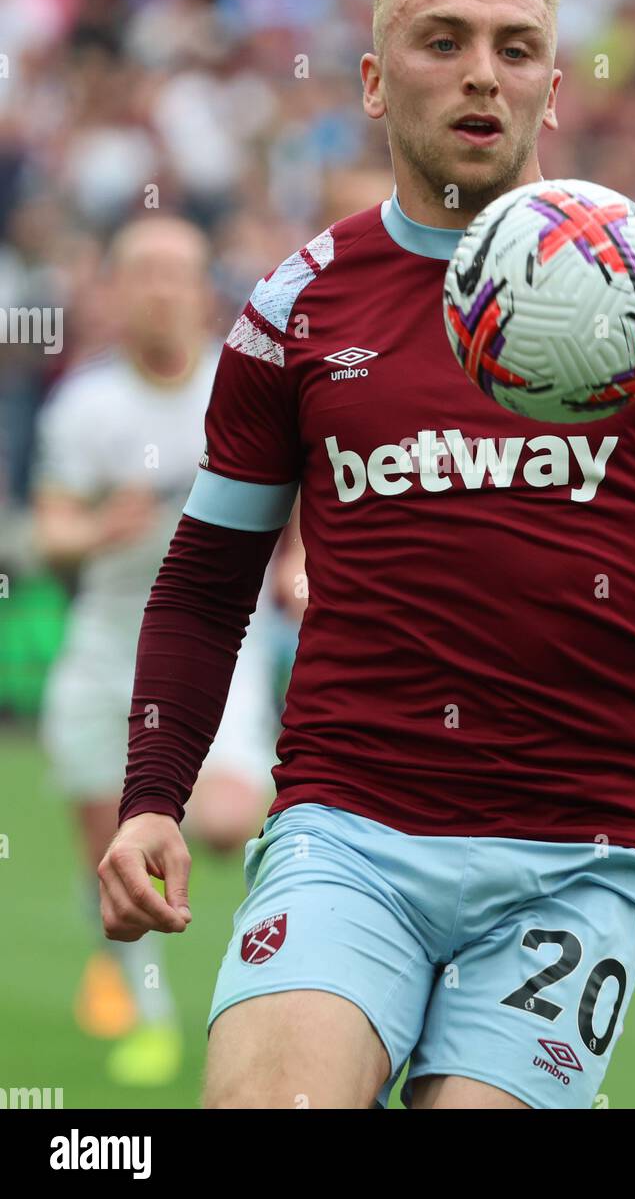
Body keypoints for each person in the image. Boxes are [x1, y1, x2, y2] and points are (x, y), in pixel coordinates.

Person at [101, 0, 635, 1110]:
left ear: (554, 89)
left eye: (514, 48)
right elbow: (203, 585)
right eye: (441, 41)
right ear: (374, 80)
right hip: (351, 828)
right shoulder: (296, 310)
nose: (479, 75)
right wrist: (151, 797)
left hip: (583, 848)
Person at [33, 216, 285, 1086]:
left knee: (219, 822)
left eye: (176, 273)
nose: (159, 289)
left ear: (202, 287)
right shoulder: (85, 404)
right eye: (140, 272)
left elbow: (301, 508)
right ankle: (148, 1011)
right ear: (113, 288)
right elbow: (49, 529)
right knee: (114, 862)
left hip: (221, 639)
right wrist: (97, 529)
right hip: (107, 650)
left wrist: (296, 571)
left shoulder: (240, 385)